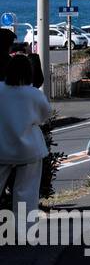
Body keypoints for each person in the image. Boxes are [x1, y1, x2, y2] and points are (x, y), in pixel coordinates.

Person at [0, 54, 52, 227]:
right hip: (29, 149)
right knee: (26, 192)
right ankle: (24, 230)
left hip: (2, 147)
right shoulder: (33, 94)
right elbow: (44, 116)